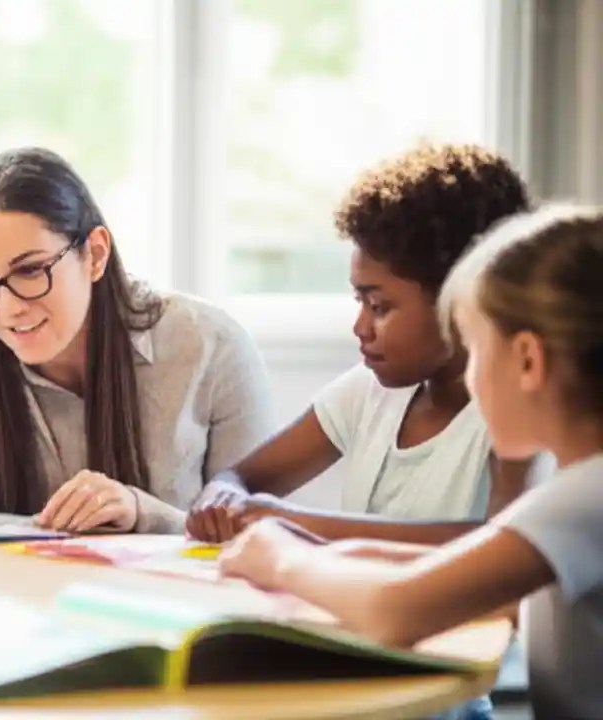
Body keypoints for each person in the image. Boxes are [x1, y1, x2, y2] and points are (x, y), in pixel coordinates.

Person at [221, 204, 603, 719]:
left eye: (474, 348)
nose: (469, 378)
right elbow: (463, 578)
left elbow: (393, 611)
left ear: (528, 360)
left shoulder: (583, 498)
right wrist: (326, 550)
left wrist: (281, 560)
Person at [0, 147, 272, 533]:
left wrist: (143, 513)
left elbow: (265, 543)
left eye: (30, 270)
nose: (9, 307)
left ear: (96, 254)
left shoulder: (212, 349)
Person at [187, 144, 533, 544]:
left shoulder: (515, 412)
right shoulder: (366, 392)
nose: (361, 327)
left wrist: (292, 521)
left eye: (380, 307)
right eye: (360, 302)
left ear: (463, 300)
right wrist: (223, 497)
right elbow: (242, 478)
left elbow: (501, 545)